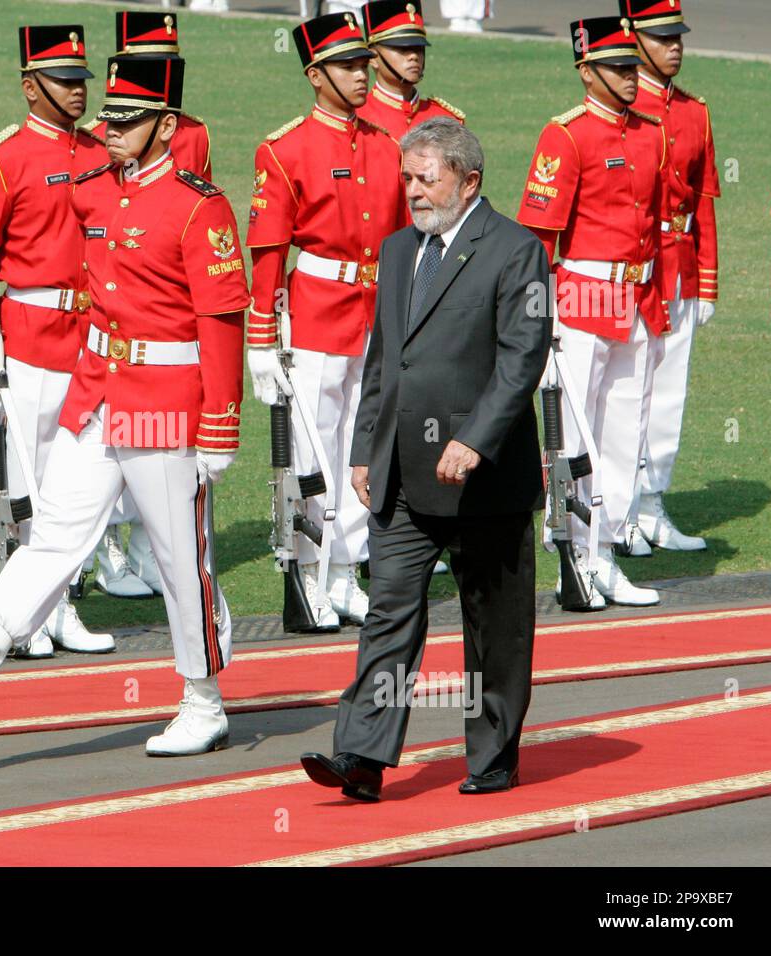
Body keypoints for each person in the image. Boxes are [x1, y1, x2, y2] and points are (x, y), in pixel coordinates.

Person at [0, 53, 249, 757]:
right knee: (54, 531)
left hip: (163, 403)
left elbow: (221, 320)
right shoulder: (94, 192)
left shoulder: (197, 205)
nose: (110, 129)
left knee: (182, 558)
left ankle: (202, 699)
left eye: (128, 120)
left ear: (166, 126)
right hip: (99, 394)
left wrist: (220, 421)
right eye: (109, 118)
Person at [301, 118, 549, 801]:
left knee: (493, 625)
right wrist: (362, 449)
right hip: (404, 475)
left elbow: (522, 356)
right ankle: (361, 755)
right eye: (406, 176)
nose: (410, 190)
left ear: (469, 181)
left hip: (484, 480)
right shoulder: (395, 251)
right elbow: (384, 360)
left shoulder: (515, 250)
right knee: (389, 612)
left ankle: (492, 753)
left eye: (425, 177)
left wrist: (475, 437)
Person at [0, 24, 114, 656]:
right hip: (28, 331)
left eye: (81, 80)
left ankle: (61, 605)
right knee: (29, 480)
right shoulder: (2, 156)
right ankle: (23, 619)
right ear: (30, 86)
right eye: (64, 81)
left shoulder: (101, 148)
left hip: (91, 335)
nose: (77, 91)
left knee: (75, 482)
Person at [245, 11, 409, 627]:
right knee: (314, 447)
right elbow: (267, 251)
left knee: (363, 446)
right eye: (347, 66)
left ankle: (344, 571)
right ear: (316, 75)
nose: (363, 74)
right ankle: (308, 571)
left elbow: (400, 242)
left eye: (366, 63)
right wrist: (262, 340)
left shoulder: (386, 146)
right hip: (314, 311)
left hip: (373, 313)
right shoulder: (285, 149)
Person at [515, 16, 668, 606]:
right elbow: (537, 238)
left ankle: (604, 551)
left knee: (625, 431)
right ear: (586, 71)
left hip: (635, 296)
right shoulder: (568, 136)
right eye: (619, 67)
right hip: (580, 295)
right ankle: (574, 553)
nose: (633, 76)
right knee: (576, 434)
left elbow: (653, 225)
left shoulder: (652, 132)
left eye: (634, 65)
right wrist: (540, 316)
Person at [81, 10, 215, 600]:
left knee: (176, 534)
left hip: (163, 361)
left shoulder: (193, 142)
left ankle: (145, 558)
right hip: (106, 357)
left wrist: (221, 419)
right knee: (69, 517)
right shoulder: (104, 147)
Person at [625, 0, 717, 553]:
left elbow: (704, 200)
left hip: (678, 265)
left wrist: (706, 280)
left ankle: (654, 500)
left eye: (678, 36)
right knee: (625, 389)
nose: (674, 46)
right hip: (635, 268)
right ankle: (617, 506)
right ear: (634, 39)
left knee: (668, 391)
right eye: (662, 37)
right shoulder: (624, 105)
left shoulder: (694, 111)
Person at [357, 1, 467, 143]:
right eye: (402, 49)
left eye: (418, 48)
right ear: (373, 57)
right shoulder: (357, 117)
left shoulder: (447, 121)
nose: (414, 56)